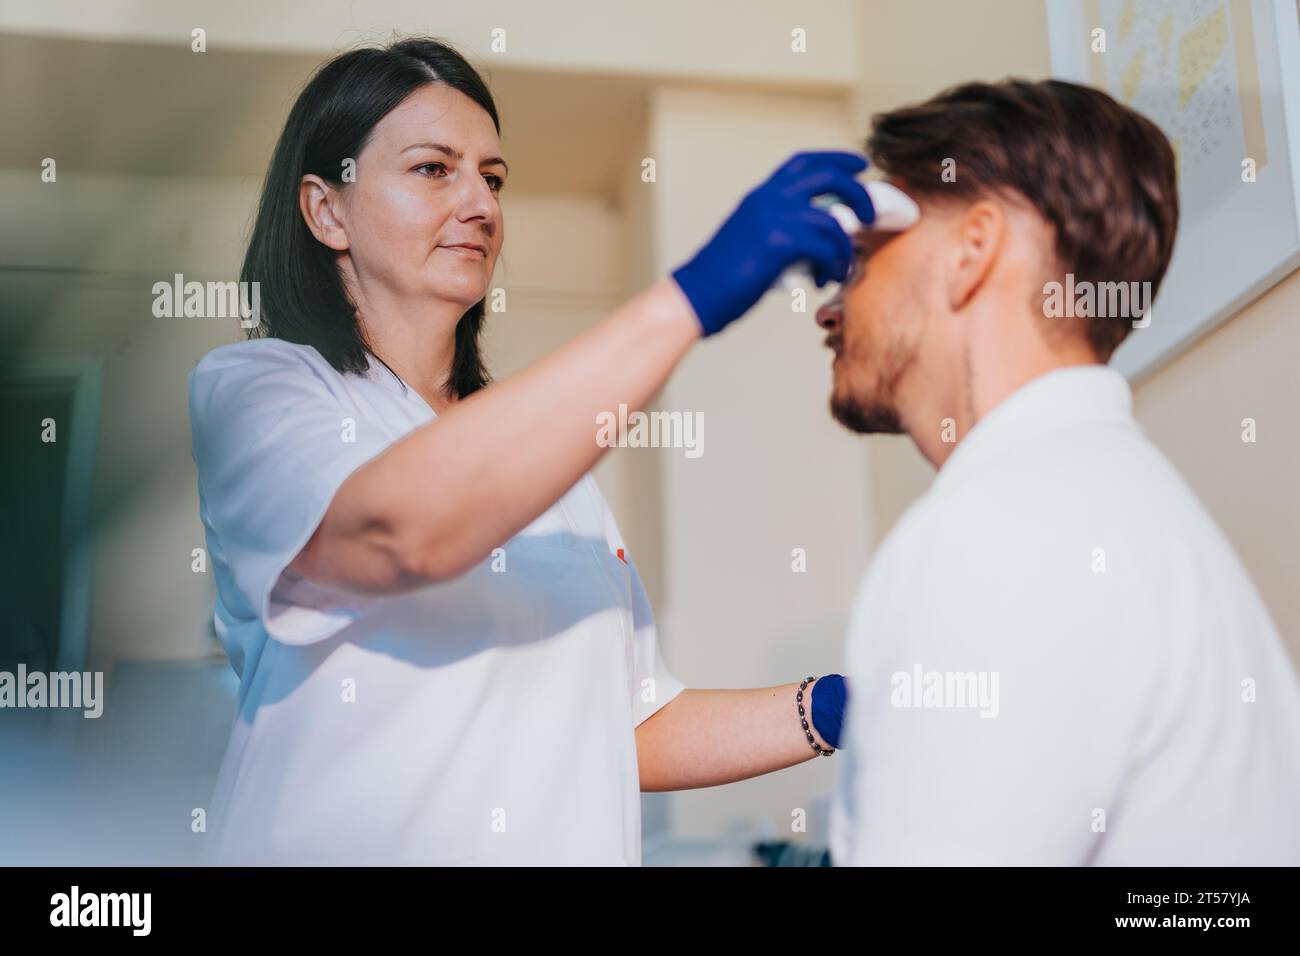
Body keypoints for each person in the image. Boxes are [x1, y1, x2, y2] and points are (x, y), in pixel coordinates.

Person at [189, 36, 861, 865]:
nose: (480, 203)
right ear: (328, 209)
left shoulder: (543, 466)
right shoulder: (261, 389)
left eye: (493, 178)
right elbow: (395, 533)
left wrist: (835, 709)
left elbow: (634, 724)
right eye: (435, 169)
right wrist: (690, 298)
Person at [822, 78, 1300, 865]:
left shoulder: (997, 535)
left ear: (972, 250)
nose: (830, 304)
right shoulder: (1118, 507)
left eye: (864, 253)